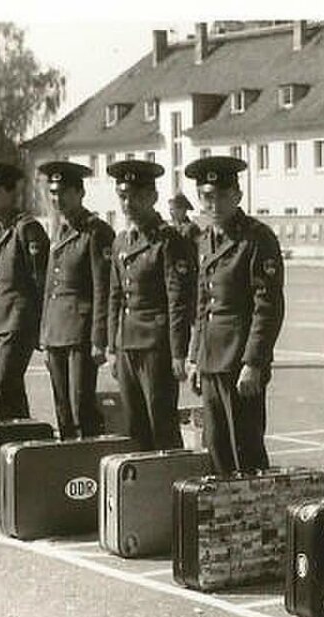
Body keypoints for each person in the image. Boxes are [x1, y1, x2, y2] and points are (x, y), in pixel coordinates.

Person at [184, 156, 285, 475]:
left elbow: (267, 307)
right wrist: (194, 357)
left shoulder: (257, 239)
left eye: (221, 196)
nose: (213, 204)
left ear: (237, 196)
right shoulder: (203, 241)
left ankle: (257, 521)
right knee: (217, 447)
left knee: (247, 449)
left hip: (240, 363)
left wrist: (254, 362)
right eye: (206, 197)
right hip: (212, 360)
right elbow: (202, 306)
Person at [105, 159, 193, 450]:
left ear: (152, 198)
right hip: (127, 344)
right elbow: (115, 297)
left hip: (156, 346)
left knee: (162, 423)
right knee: (134, 426)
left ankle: (170, 484)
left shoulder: (168, 241)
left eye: (135, 196)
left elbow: (177, 301)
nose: (128, 203)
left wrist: (178, 352)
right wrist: (112, 348)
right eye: (123, 196)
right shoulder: (120, 242)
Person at [36, 160, 114, 439]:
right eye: (53, 193)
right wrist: (44, 334)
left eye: (64, 193)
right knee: (62, 408)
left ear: (80, 194)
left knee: (81, 403)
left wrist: (99, 338)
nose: (57, 199)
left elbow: (102, 288)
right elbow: (49, 288)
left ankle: (88, 460)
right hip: (56, 331)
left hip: (80, 332)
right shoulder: (59, 231)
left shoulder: (96, 232)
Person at [0, 160, 49, 420]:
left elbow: (40, 281)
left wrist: (40, 326)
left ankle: (18, 446)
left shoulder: (26, 228)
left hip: (17, 322)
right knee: (11, 393)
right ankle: (19, 451)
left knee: (0, 391)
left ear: (9, 193)